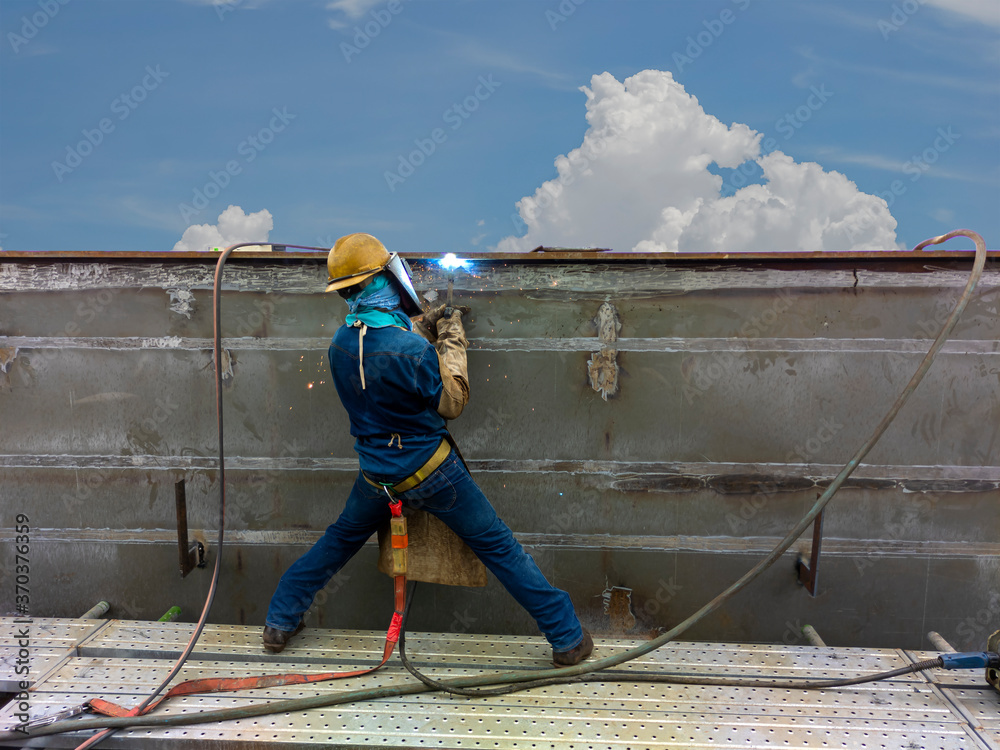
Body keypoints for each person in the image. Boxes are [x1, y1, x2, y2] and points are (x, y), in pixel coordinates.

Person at [263, 233, 593, 666]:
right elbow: (451, 401)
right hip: (433, 474)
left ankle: (279, 621)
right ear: (383, 278)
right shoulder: (413, 350)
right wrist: (451, 339)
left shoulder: (341, 344)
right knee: (500, 548)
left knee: (338, 542)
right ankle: (567, 637)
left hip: (377, 478)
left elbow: (383, 354)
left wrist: (420, 326)